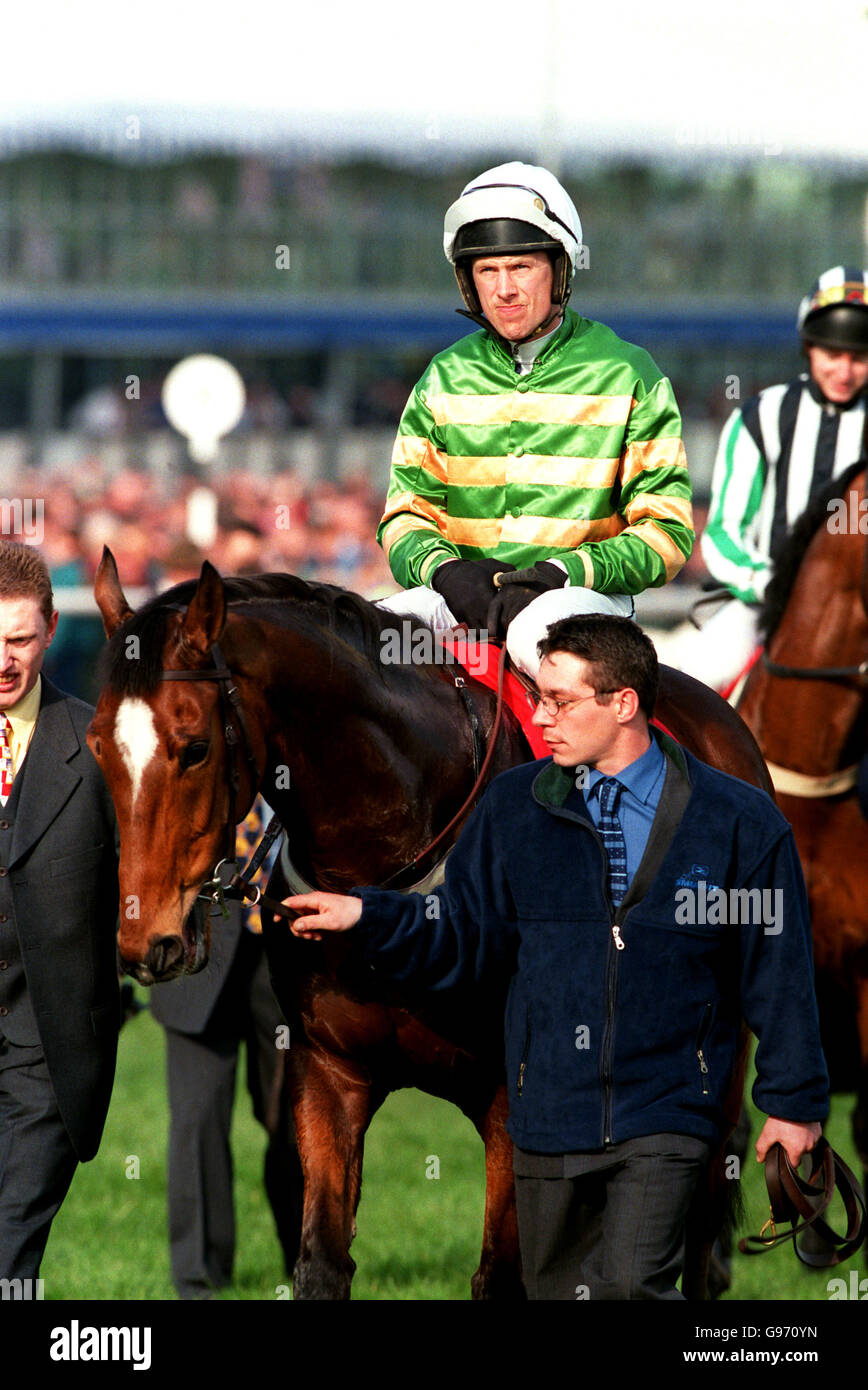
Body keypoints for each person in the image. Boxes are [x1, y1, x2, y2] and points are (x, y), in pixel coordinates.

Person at [283, 614, 829, 1300]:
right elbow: (463, 932)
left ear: (623, 703)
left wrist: (793, 1105)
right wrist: (368, 914)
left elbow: (779, 975)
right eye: (540, 698)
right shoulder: (514, 807)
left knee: (631, 1290)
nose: (539, 718)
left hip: (667, 1112)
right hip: (545, 1119)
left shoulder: (741, 822)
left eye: (560, 702)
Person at [376, 162, 694, 678]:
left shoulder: (629, 373)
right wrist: (446, 571)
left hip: (586, 603)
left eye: (521, 267)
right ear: (467, 282)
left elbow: (667, 534)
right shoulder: (443, 375)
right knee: (367, 640)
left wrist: (561, 571)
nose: (504, 290)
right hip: (466, 596)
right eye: (487, 270)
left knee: (530, 633)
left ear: (560, 270)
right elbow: (403, 516)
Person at [0, 539, 119, 1284]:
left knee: (10, 1240)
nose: (4, 658)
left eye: (18, 639)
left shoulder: (99, 745)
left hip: (47, 1045)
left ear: (50, 631)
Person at [663, 265, 868, 691]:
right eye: (833, 354)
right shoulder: (759, 416)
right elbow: (722, 535)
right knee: (693, 681)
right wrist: (773, 584)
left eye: (859, 357)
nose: (845, 372)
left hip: (859, 610)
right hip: (761, 603)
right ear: (808, 347)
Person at [149, 797, 303, 1300]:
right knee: (197, 1120)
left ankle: (307, 1259)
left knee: (299, 1121)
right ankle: (199, 1281)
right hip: (196, 939)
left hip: (289, 941)